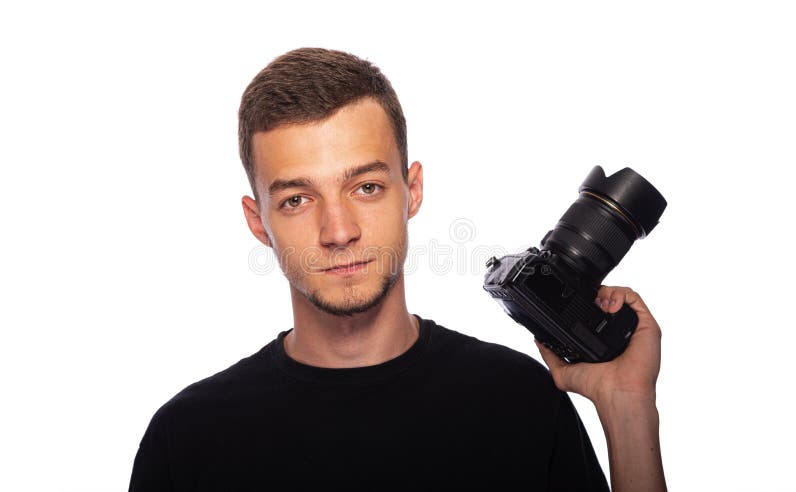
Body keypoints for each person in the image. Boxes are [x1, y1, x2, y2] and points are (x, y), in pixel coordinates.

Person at [128, 47, 667, 491]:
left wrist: (628, 408)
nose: (338, 231)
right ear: (258, 221)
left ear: (412, 191)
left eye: (365, 187)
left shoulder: (520, 401)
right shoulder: (186, 438)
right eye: (296, 199)